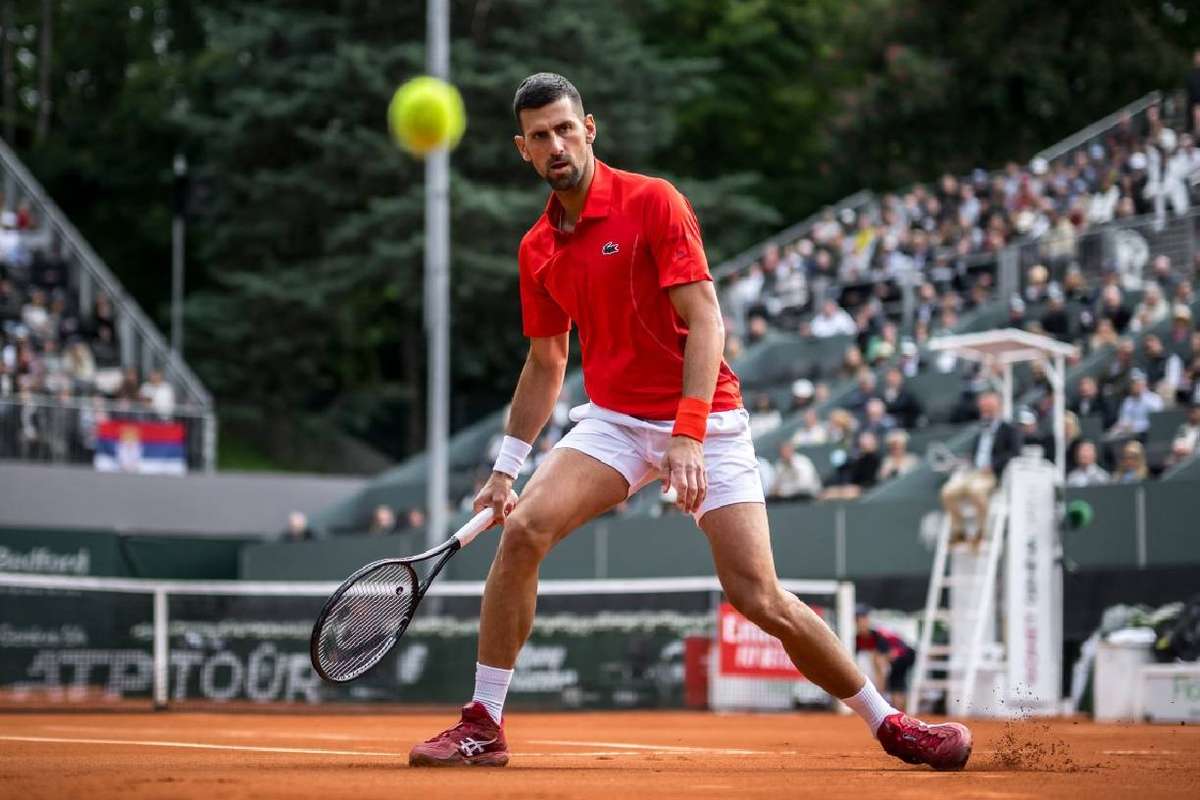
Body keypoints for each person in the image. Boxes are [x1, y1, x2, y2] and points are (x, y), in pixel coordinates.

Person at [408, 73, 970, 770]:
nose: (556, 144)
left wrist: (688, 433)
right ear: (523, 150)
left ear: (590, 128)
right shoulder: (537, 250)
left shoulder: (654, 201)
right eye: (540, 136)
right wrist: (505, 468)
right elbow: (547, 363)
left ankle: (890, 725)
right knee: (522, 531)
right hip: (613, 422)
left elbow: (706, 320)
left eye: (565, 128)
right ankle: (483, 723)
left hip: (706, 417)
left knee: (757, 595)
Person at [940, 391, 1021, 543]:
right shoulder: (980, 432)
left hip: (991, 475)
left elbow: (1014, 453)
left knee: (976, 491)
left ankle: (982, 531)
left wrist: (993, 466)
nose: (986, 412)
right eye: (984, 409)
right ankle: (959, 530)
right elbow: (977, 454)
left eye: (989, 408)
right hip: (974, 473)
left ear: (999, 408)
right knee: (948, 492)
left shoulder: (1009, 429)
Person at [855, 606, 916, 712]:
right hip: (894, 656)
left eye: (863, 619)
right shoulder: (859, 638)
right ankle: (888, 705)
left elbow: (880, 664)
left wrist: (879, 693)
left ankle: (895, 710)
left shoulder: (878, 636)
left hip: (904, 655)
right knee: (891, 681)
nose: (861, 623)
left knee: (896, 684)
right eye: (858, 620)